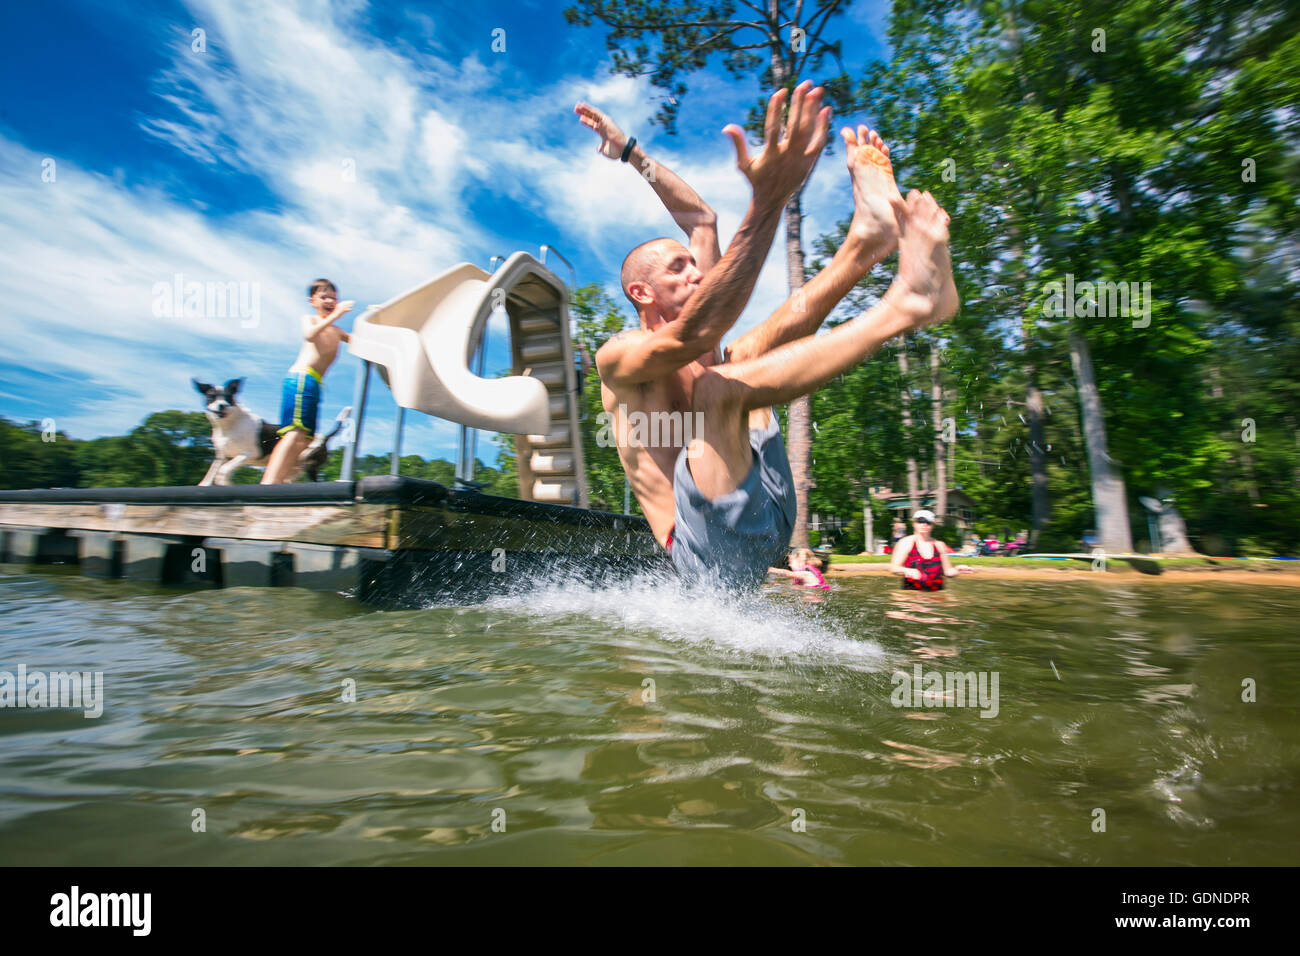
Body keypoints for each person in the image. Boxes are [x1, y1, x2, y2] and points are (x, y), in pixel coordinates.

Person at [580, 82, 958, 590]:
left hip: (767, 506)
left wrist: (630, 153)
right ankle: (906, 305)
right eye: (679, 269)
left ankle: (865, 246)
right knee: (719, 384)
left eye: (695, 264)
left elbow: (700, 218)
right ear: (642, 293)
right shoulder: (620, 359)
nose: (697, 273)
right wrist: (772, 198)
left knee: (743, 355)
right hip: (700, 551)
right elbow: (690, 337)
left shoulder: (706, 335)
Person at [262, 279, 353, 484]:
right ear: (312, 300)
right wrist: (337, 314)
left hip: (314, 383)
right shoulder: (310, 319)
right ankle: (269, 483)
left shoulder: (337, 331)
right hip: (301, 378)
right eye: (324, 297)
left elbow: (358, 340)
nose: (330, 301)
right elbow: (310, 335)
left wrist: (378, 318)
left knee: (304, 440)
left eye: (334, 298)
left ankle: (280, 481)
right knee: (295, 434)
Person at [890, 509, 972, 590]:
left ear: (932, 525)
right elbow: (894, 568)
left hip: (936, 596)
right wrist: (908, 570)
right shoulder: (906, 543)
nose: (924, 524)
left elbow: (947, 571)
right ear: (913, 523)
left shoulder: (939, 545)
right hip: (912, 597)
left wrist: (957, 569)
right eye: (921, 521)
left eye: (928, 522)